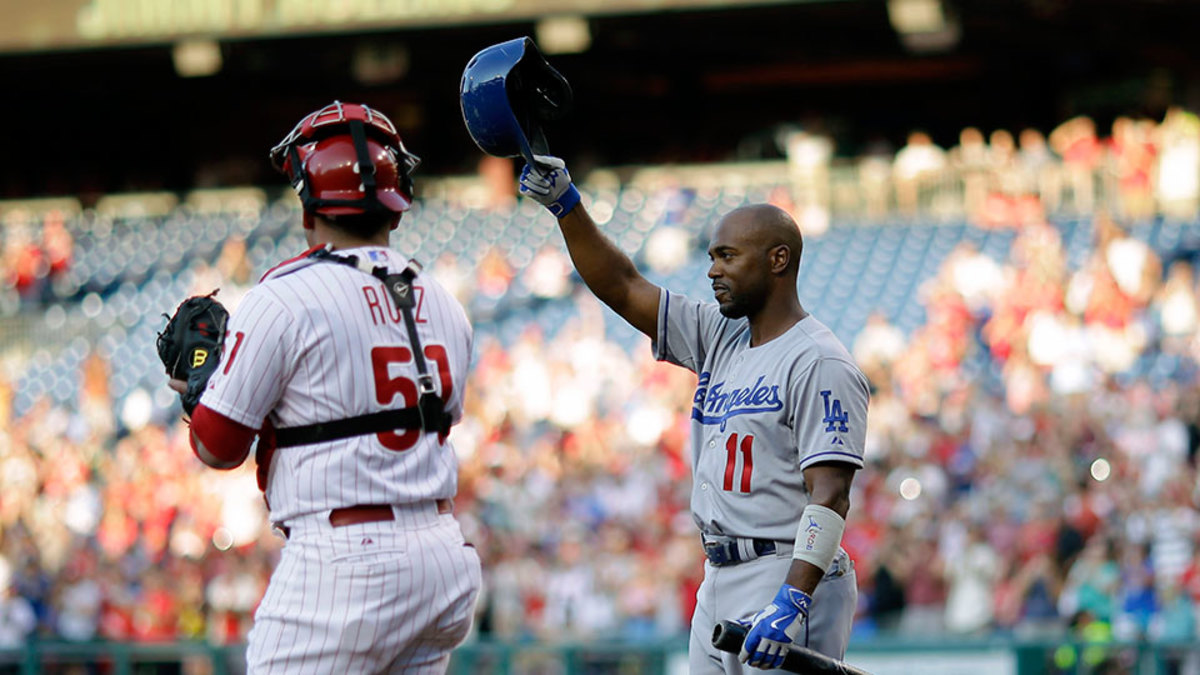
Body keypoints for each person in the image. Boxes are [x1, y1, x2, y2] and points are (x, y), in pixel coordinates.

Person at [518, 156, 868, 672]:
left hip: (785, 572)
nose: (712, 270)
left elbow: (831, 493)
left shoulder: (819, 361)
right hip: (718, 574)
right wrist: (566, 206)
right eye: (711, 256)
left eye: (728, 256)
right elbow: (623, 286)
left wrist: (793, 597)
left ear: (778, 260)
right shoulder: (720, 333)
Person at [169, 101, 481, 673]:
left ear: (308, 206)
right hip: (441, 554)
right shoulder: (445, 301)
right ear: (397, 208)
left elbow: (218, 447)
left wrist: (198, 384)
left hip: (346, 562)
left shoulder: (283, 296)